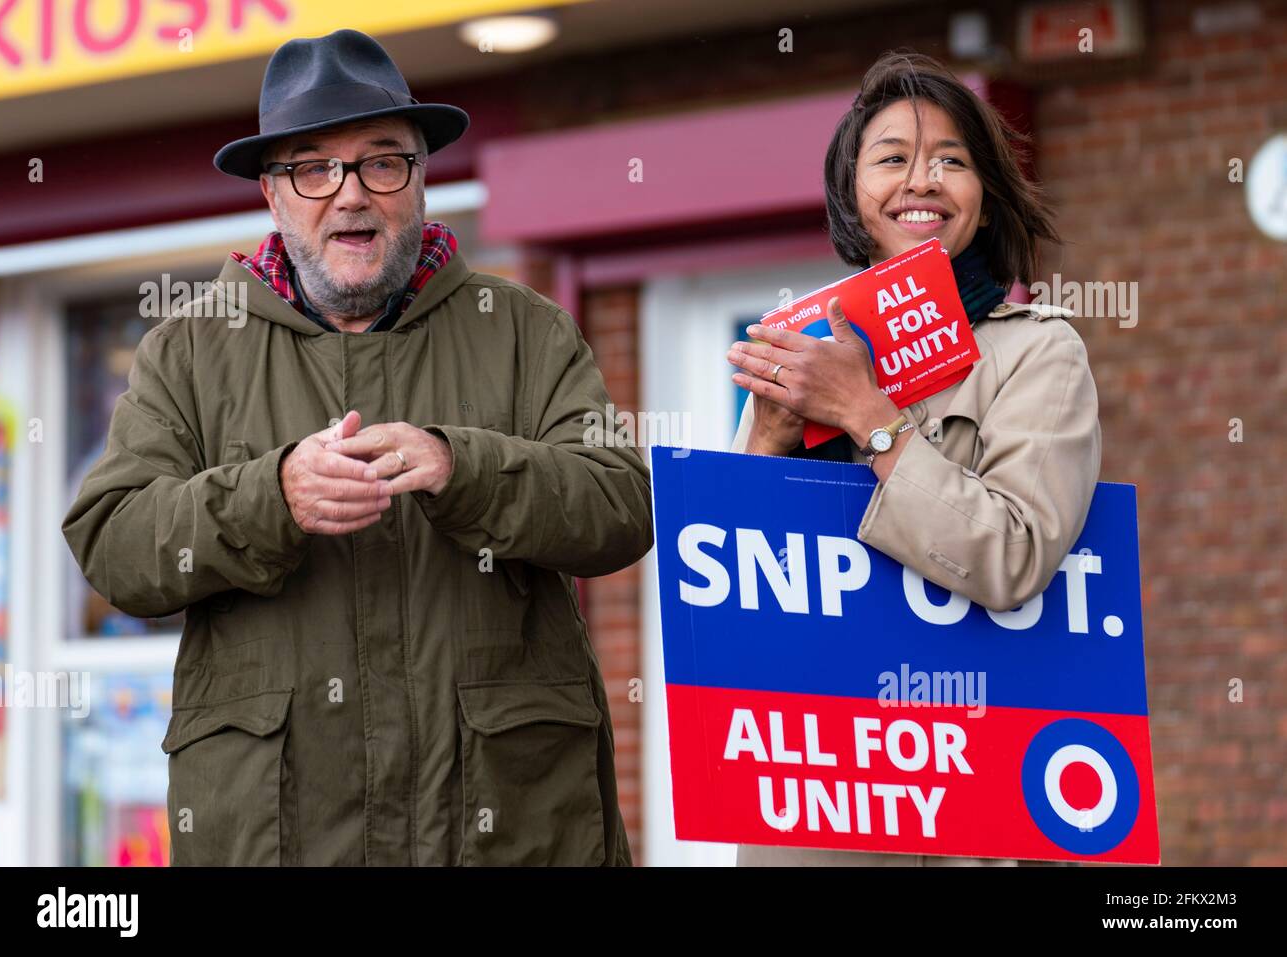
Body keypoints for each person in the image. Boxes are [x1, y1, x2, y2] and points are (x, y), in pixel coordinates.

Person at [62, 29, 652, 866]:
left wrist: (465, 465)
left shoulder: (525, 329)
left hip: (506, 827)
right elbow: (113, 542)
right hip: (277, 834)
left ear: (420, 180)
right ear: (273, 195)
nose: (349, 196)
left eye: (382, 162)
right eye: (312, 168)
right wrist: (271, 497)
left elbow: (622, 505)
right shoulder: (188, 349)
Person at [727, 52, 1101, 867]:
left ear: (986, 197)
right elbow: (732, 592)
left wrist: (869, 419)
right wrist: (768, 439)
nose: (921, 182)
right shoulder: (808, 349)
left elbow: (1014, 555)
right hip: (816, 799)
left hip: (970, 794)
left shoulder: (1040, 355)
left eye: (952, 163)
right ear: (850, 196)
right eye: (892, 158)